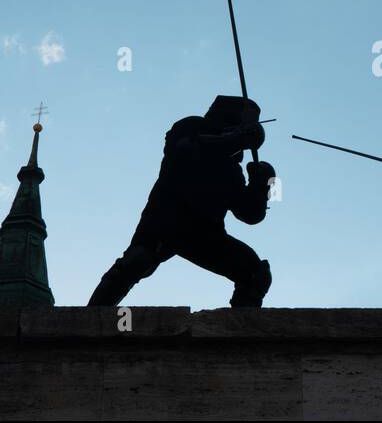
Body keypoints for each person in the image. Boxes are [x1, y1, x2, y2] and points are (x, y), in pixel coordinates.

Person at [87, 95, 275, 308]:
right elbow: (184, 152)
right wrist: (236, 139)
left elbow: (249, 213)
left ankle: (241, 328)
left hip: (204, 232)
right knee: (136, 261)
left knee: (255, 273)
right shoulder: (191, 127)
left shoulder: (232, 169)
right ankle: (91, 318)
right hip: (166, 220)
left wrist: (262, 183)